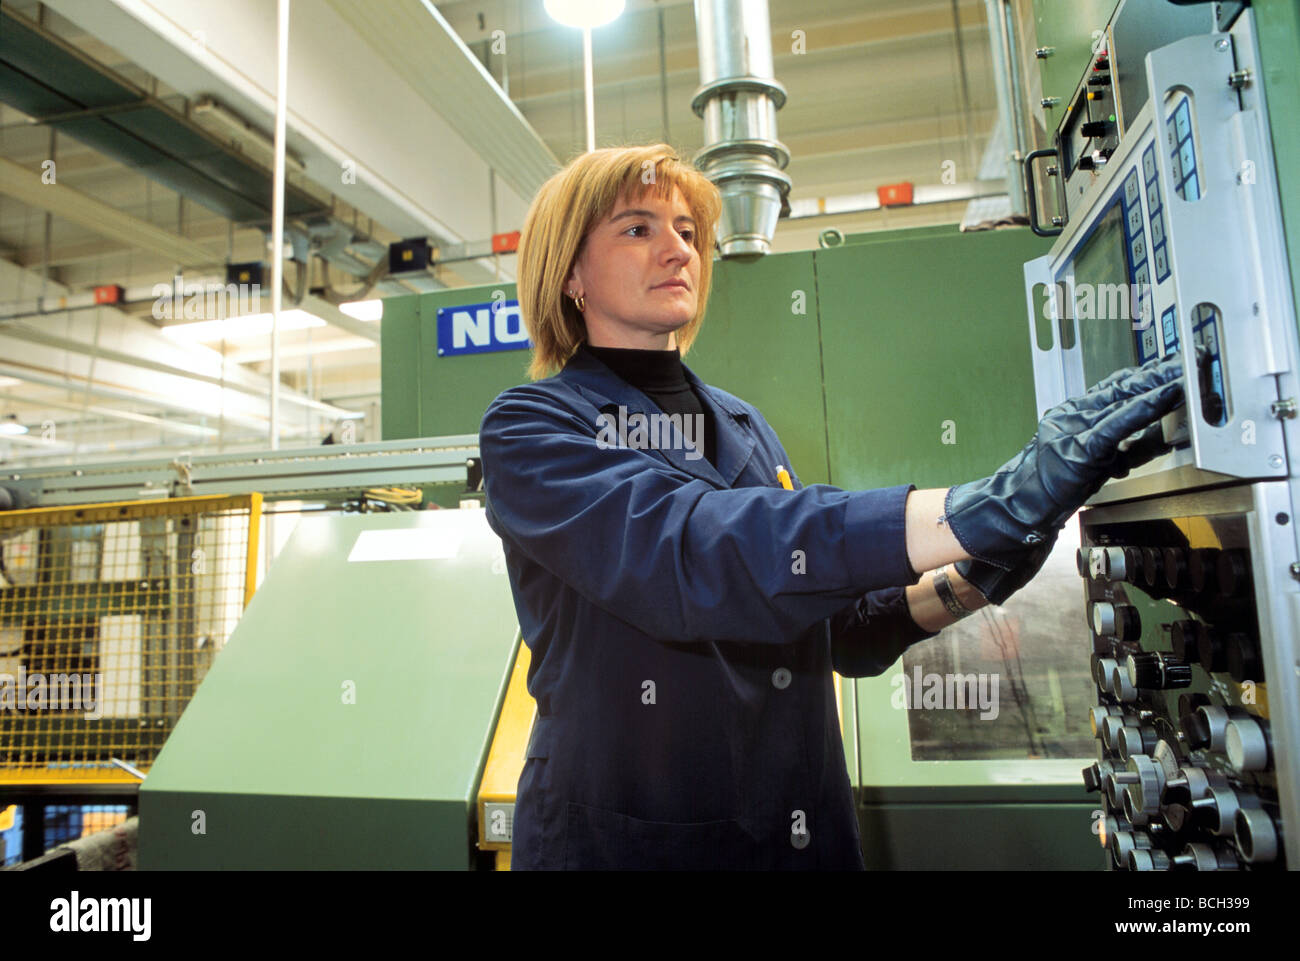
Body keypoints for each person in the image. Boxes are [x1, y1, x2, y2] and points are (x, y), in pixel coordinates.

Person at [478, 143, 1184, 870]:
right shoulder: (532, 427)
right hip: (635, 843)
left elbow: (841, 626)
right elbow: (694, 552)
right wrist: (979, 507)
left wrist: (979, 570)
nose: (677, 250)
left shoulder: (742, 425)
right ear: (569, 274)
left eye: (688, 231)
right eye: (638, 228)